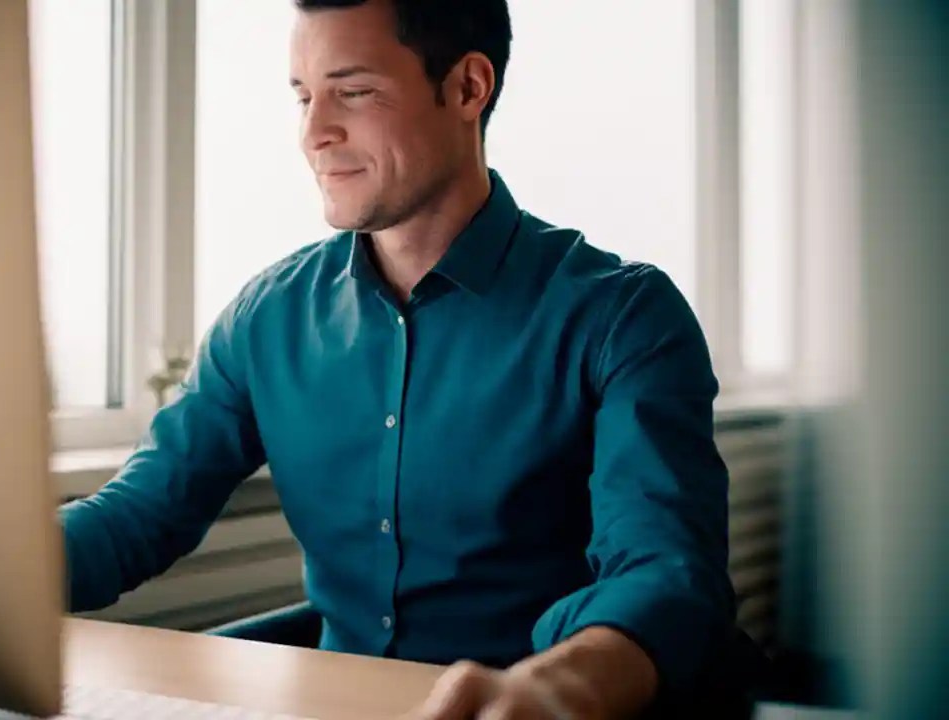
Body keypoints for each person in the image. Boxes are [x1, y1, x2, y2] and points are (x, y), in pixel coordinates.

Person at [62, 0, 747, 716]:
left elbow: (664, 570)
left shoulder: (624, 317)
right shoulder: (266, 318)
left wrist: (558, 688)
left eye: (353, 92)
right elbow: (141, 513)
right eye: (303, 96)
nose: (314, 133)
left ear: (467, 88)